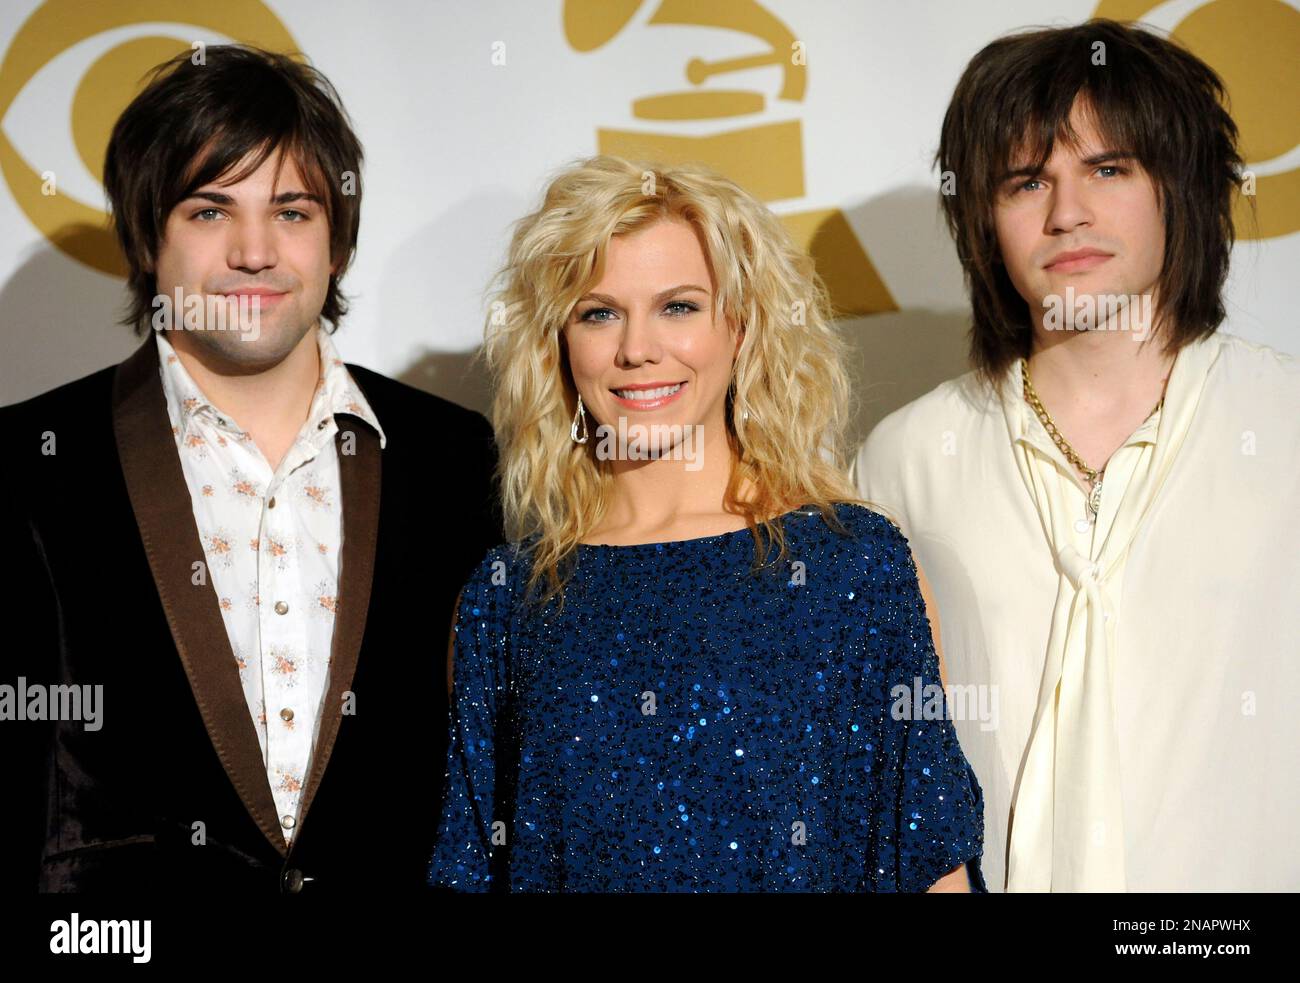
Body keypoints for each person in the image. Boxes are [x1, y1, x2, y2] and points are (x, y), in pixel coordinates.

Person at [0, 45, 501, 892]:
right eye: (209, 211)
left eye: (294, 211)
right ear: (146, 239)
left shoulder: (452, 454)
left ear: (336, 244)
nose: (255, 251)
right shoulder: (28, 460)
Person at [428, 155, 986, 892]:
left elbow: (931, 864)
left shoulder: (852, 568)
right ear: (560, 344)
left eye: (679, 306)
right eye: (599, 313)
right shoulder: (506, 600)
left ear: (743, 325)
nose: (637, 348)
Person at [852, 20, 1300, 891]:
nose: (1067, 215)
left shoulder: (1285, 423)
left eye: (1108, 168)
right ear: (981, 218)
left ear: (1182, 187)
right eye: (1027, 182)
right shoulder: (906, 461)